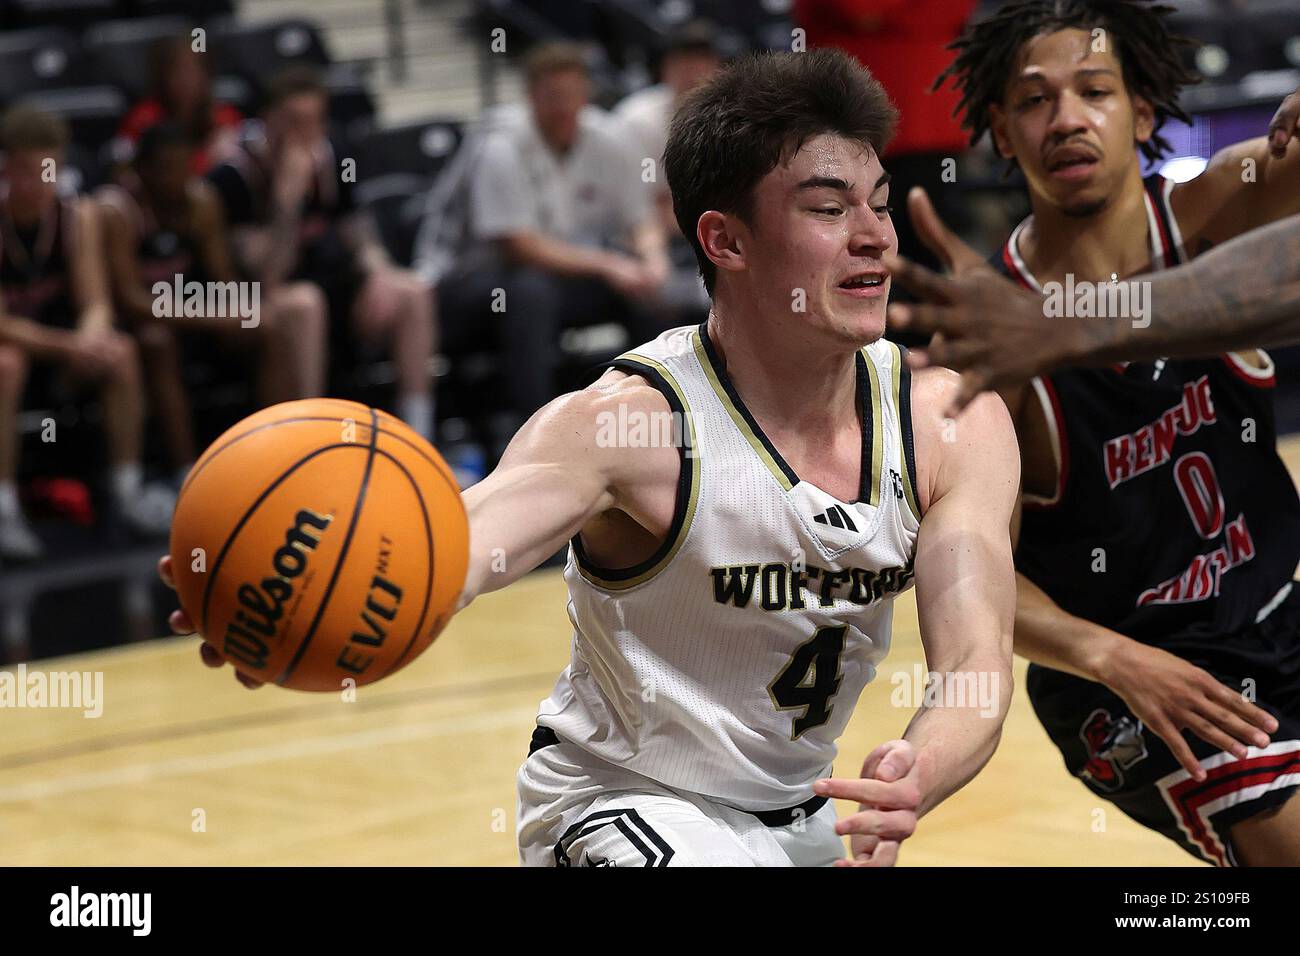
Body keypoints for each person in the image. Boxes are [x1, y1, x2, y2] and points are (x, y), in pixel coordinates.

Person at [160, 49, 1020, 867]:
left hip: (803, 818)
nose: (875, 236)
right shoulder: (626, 427)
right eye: (830, 209)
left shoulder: (952, 421)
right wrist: (293, 588)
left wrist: (922, 769)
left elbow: (976, 665)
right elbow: (450, 551)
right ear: (725, 240)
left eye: (878, 201)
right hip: (619, 802)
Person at [931, 0, 1300, 864]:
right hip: (1141, 681)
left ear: (1141, 111)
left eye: (1094, 90)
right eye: (1033, 100)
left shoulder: (1216, 210)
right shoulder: (990, 340)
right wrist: (1109, 656)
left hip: (1280, 608)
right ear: (1000, 129)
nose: (1065, 119)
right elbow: (962, 568)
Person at [432, 42, 673, 427]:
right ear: (531, 97)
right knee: (531, 292)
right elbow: (518, 246)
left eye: (573, 96)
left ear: (586, 94)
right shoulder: (500, 144)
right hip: (468, 281)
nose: (564, 107)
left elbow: (640, 220)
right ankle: (535, 428)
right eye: (553, 97)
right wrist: (611, 264)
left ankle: (651, 418)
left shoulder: (607, 137)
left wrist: (652, 260)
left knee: (644, 289)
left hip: (564, 274)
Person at [206, 66, 437, 442]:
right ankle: (311, 439)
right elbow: (265, 274)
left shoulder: (334, 156)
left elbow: (358, 234)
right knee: (305, 303)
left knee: (412, 291)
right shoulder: (235, 174)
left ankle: (420, 436)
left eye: (315, 120)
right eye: (295, 121)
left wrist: (378, 272)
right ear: (267, 120)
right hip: (258, 301)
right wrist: (287, 200)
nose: (307, 132)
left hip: (336, 289)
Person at [98, 121, 328, 480]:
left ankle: (281, 457)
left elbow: (223, 278)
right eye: (166, 170)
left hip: (192, 312)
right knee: (157, 342)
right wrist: (214, 318)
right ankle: (186, 473)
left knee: (267, 324)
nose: (176, 178)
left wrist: (243, 310)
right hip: (141, 324)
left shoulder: (201, 201)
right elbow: (131, 301)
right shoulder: (117, 211)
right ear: (142, 171)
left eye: (184, 168)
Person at [0, 107, 174, 561]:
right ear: (7, 168)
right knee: (6, 363)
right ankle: (3, 507)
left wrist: (90, 338)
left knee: (119, 350)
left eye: (49, 170)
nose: (40, 183)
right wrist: (68, 345)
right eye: (29, 171)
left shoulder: (77, 216)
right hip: (19, 350)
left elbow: (96, 301)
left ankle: (127, 489)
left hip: (62, 351)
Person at [614, 20, 723, 318]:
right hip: (641, 238)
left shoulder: (732, 115)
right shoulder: (636, 119)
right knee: (656, 287)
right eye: (684, 61)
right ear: (667, 67)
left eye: (702, 61)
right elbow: (642, 208)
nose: (694, 71)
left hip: (708, 233)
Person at [116, 34, 243, 177]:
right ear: (163, 75)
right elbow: (123, 166)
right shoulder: (144, 118)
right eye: (178, 69)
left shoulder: (223, 116)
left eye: (194, 69)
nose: (186, 78)